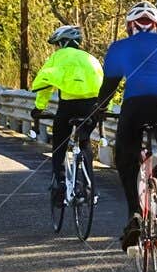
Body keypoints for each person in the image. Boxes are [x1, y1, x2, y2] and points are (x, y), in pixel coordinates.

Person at [93, 0, 157, 247]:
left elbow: (109, 88)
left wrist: (99, 112)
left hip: (133, 106)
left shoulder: (119, 48)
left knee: (126, 156)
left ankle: (134, 213)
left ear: (129, 27)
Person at [31, 25, 104, 204]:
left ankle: (60, 184)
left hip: (68, 106)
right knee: (85, 141)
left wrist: (39, 107)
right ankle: (90, 189)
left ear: (62, 42)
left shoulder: (57, 57)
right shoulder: (92, 59)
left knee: (60, 143)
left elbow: (45, 83)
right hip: (91, 107)